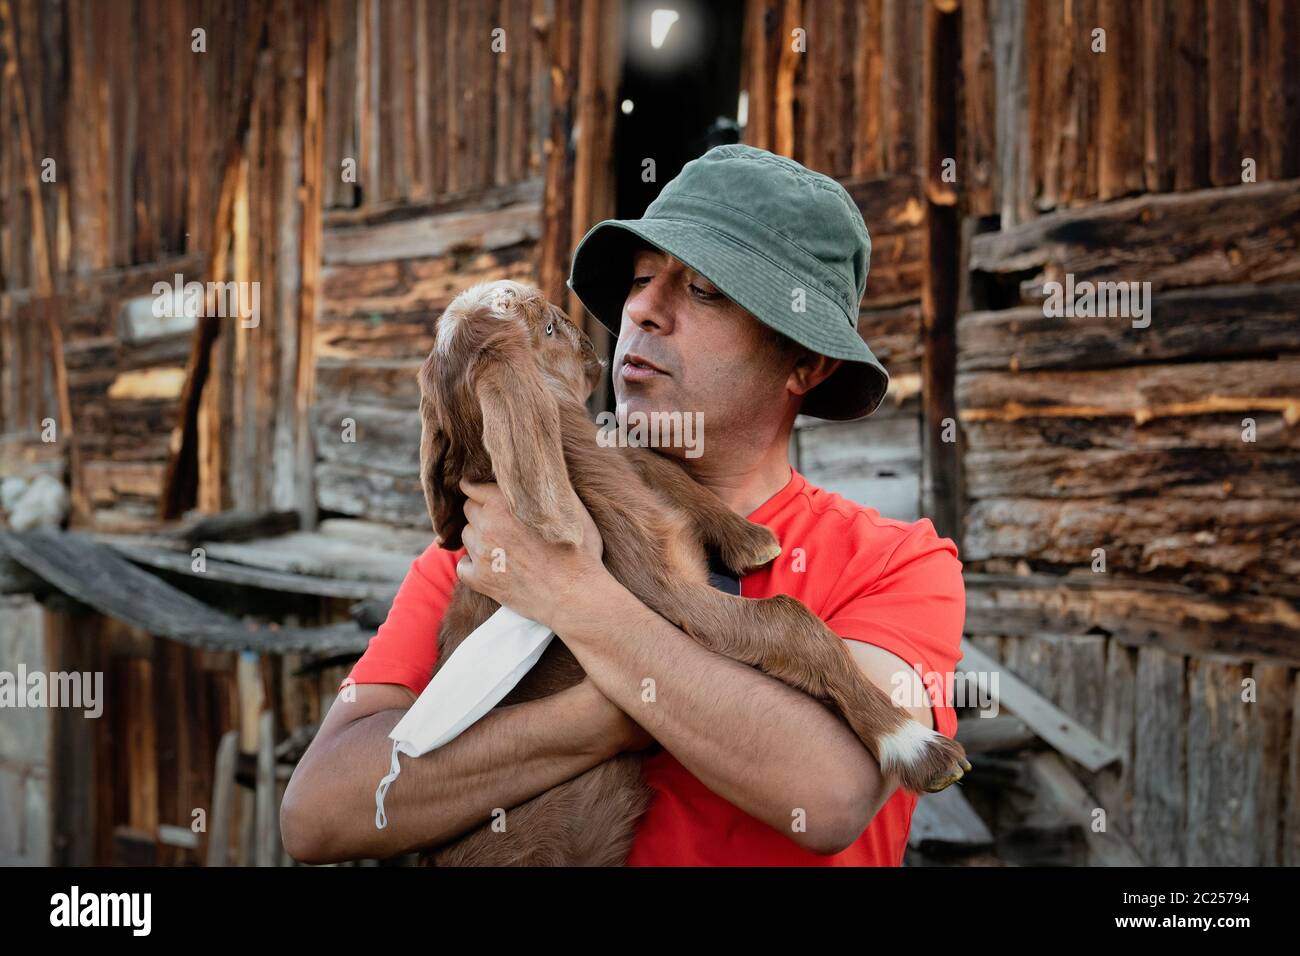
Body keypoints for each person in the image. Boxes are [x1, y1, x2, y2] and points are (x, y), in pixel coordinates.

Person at [281, 144, 965, 866]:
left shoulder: (895, 563)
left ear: (806, 362)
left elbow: (829, 795)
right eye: (641, 279)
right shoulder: (495, 541)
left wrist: (575, 599)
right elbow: (317, 817)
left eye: (703, 290)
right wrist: (605, 718)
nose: (642, 308)